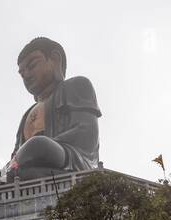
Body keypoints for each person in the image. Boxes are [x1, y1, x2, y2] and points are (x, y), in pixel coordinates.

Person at [7, 37, 101, 181]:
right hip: (29, 165)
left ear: (55, 59)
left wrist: (45, 145)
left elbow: (87, 132)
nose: (26, 75)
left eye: (32, 65)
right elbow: (16, 155)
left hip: (69, 158)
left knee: (37, 145)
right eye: (22, 73)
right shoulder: (27, 114)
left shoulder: (76, 85)